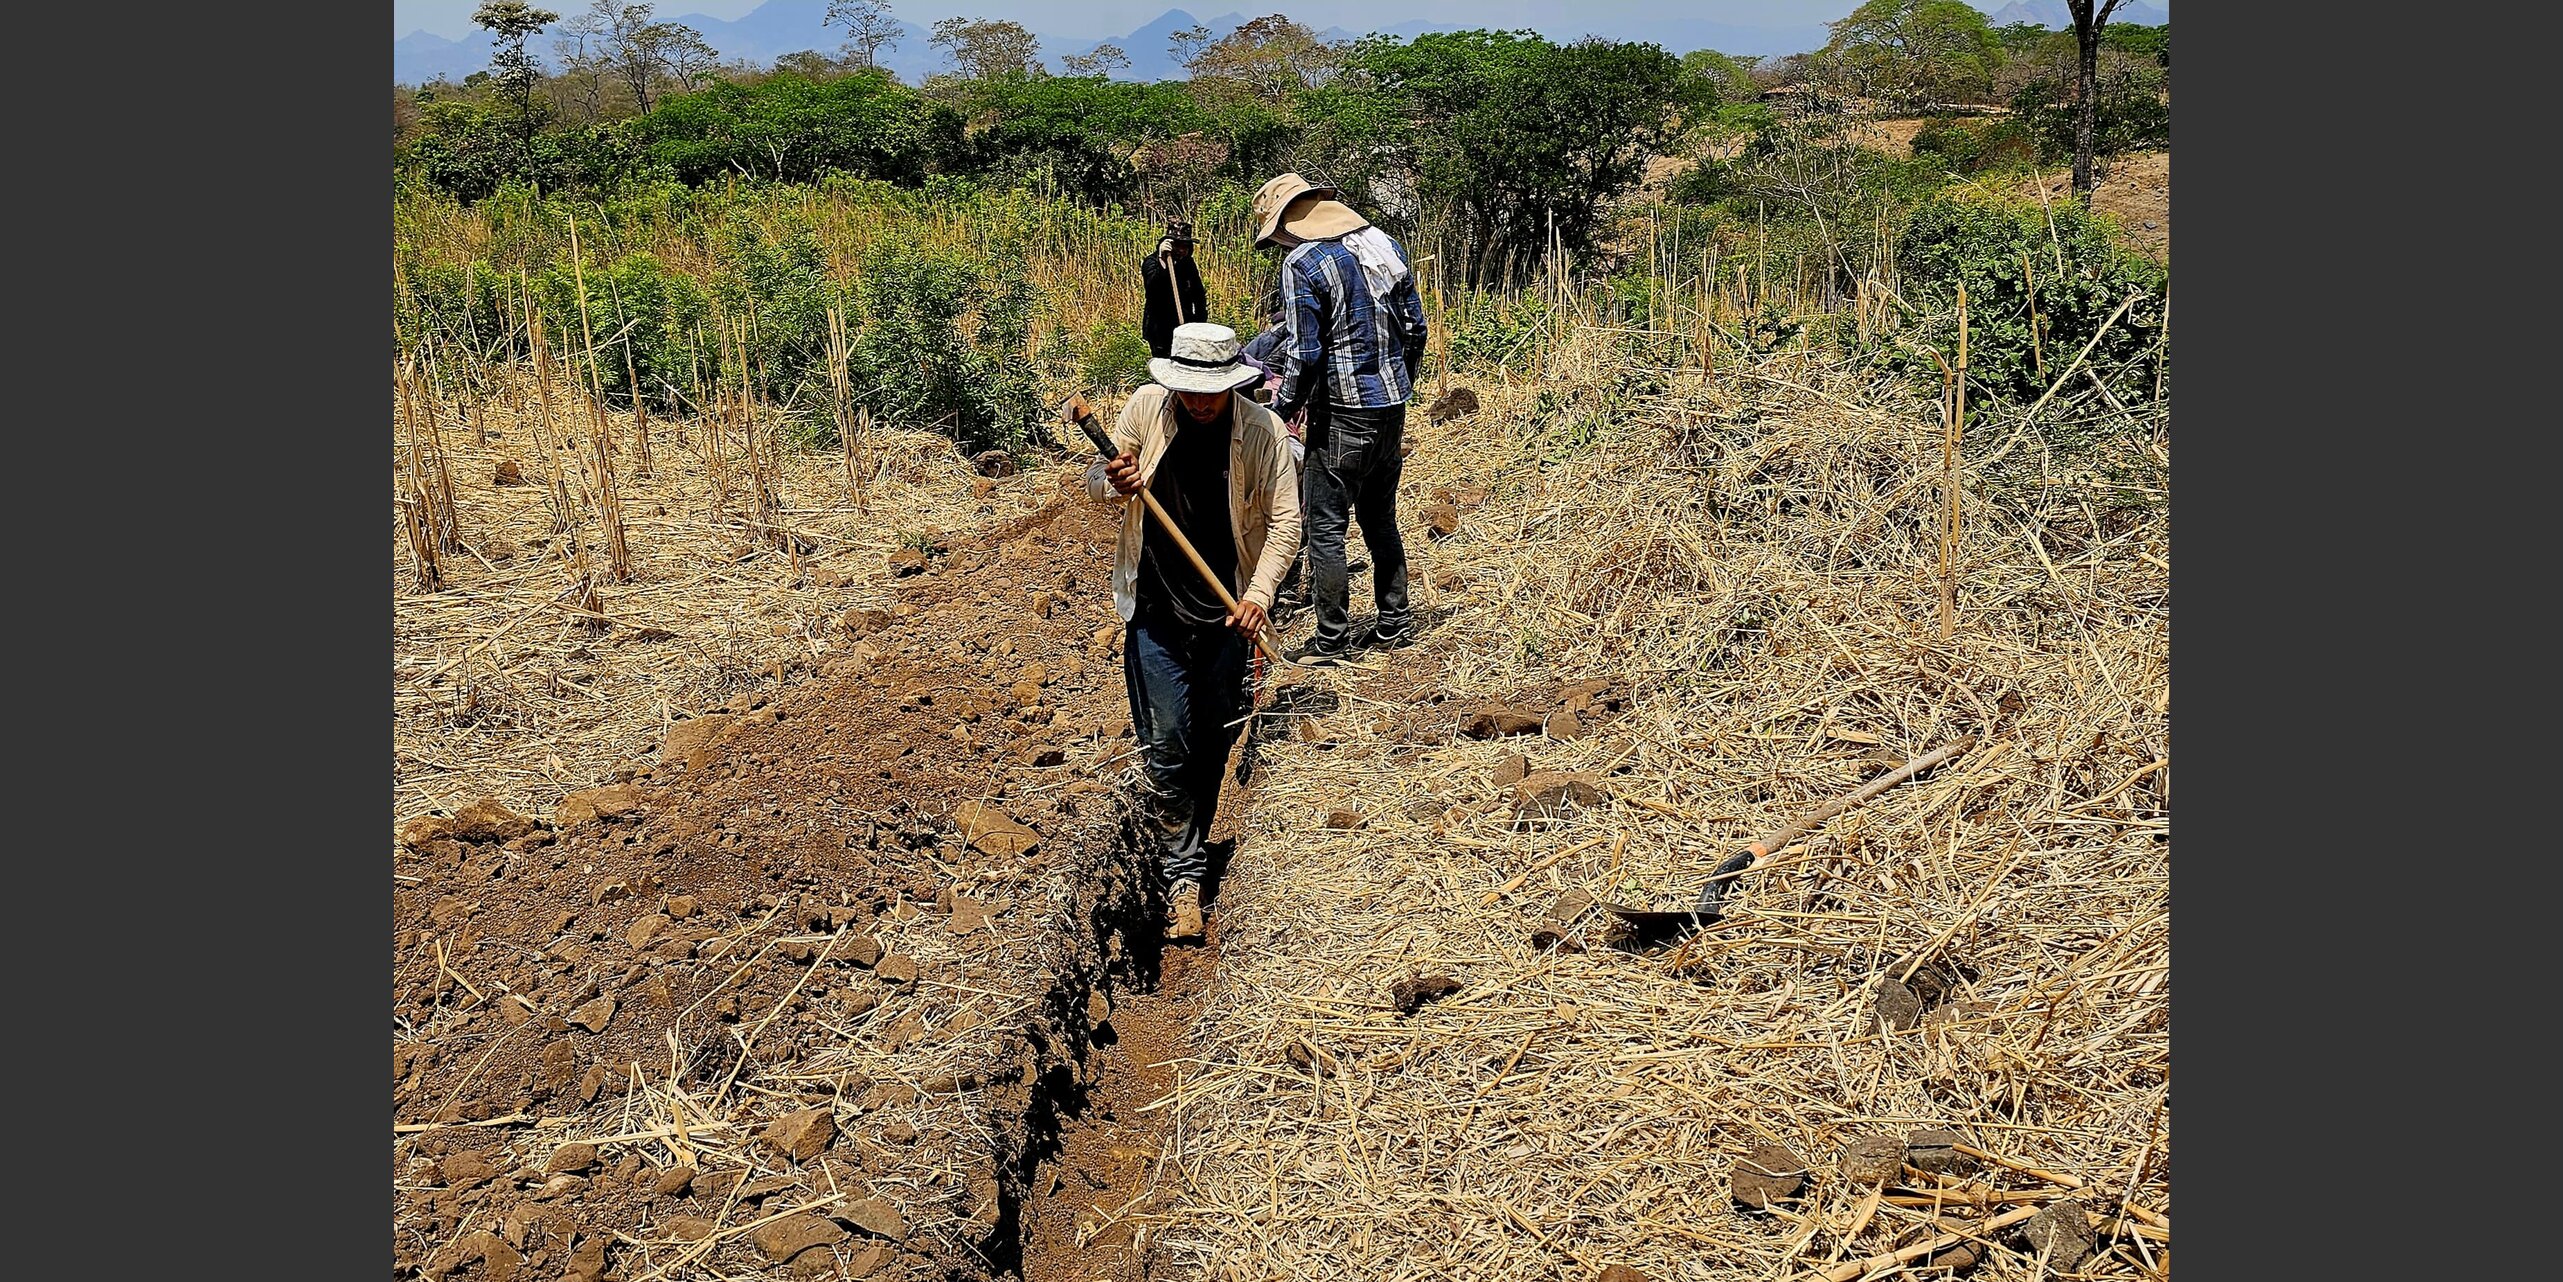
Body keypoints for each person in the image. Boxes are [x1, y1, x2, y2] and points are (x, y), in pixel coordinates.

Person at [1086, 322, 1303, 940]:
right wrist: (1115, 480)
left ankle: (1196, 837)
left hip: (1226, 613)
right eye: (1191, 390)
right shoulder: (1145, 410)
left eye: (1212, 391)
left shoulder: (1262, 434)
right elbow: (1100, 484)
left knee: (1211, 739)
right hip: (1154, 608)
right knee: (1166, 744)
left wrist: (1260, 596)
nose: (1201, 402)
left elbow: (1287, 524)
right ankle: (1183, 875)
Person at [1251, 173, 1429, 663]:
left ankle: (1332, 638)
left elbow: (1306, 354)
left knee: (1326, 527)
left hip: (1342, 413)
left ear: (1289, 223)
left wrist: (1280, 412)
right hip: (1391, 408)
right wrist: (1397, 381)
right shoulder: (1382, 245)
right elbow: (1415, 329)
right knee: (1379, 517)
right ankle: (1395, 621)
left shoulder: (1303, 262)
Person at [1139, 221, 1208, 359]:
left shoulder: (1188, 264)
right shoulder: (1151, 262)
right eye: (1178, 245)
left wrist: (1199, 325)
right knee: (1165, 366)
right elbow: (1153, 289)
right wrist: (1162, 261)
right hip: (1159, 331)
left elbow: (1198, 294)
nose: (1182, 250)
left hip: (1185, 327)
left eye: (1186, 246)